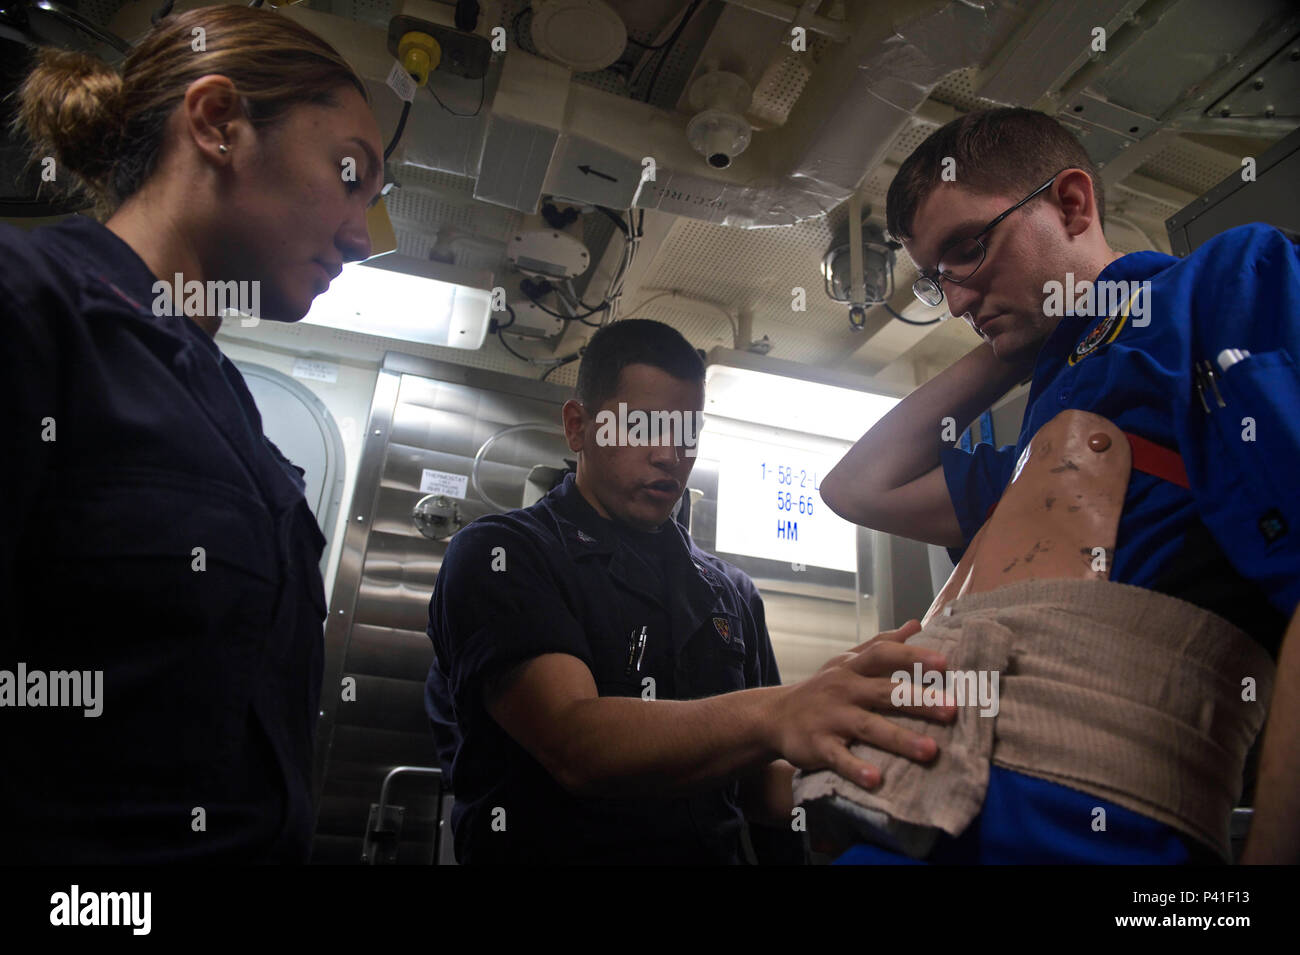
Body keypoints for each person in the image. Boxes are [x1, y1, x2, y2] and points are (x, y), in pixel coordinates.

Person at [819, 107, 1299, 864]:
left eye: (970, 249)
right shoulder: (1037, 444)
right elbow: (857, 487)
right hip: (917, 813)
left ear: (1073, 204)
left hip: (1088, 830)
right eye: (937, 278)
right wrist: (1032, 336)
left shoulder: (1219, 284)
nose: (955, 302)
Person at [0, 5, 385, 861]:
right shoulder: (33, 306)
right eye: (351, 173)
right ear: (218, 123)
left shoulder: (230, 413)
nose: (362, 235)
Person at [425, 319, 956, 864]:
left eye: (686, 432)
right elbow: (576, 744)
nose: (669, 454)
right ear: (578, 426)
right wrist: (780, 709)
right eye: (642, 427)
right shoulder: (504, 555)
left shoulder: (729, 593)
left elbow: (755, 784)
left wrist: (870, 766)